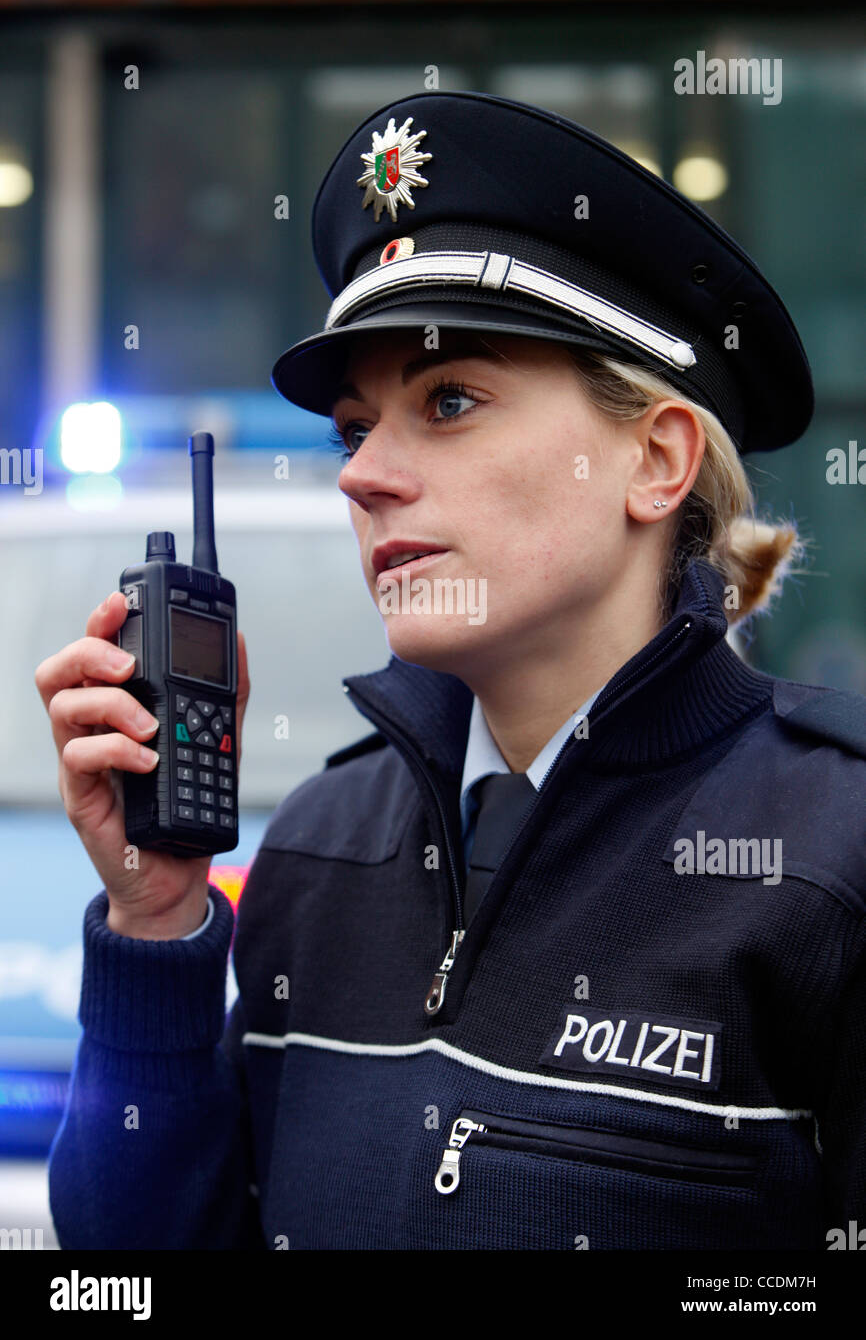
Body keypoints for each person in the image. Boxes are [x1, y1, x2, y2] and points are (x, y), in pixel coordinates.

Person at [38, 90, 865, 1250]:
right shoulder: (318, 849)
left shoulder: (833, 853)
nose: (360, 475)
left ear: (655, 458)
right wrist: (157, 921)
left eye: (450, 400)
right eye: (354, 427)